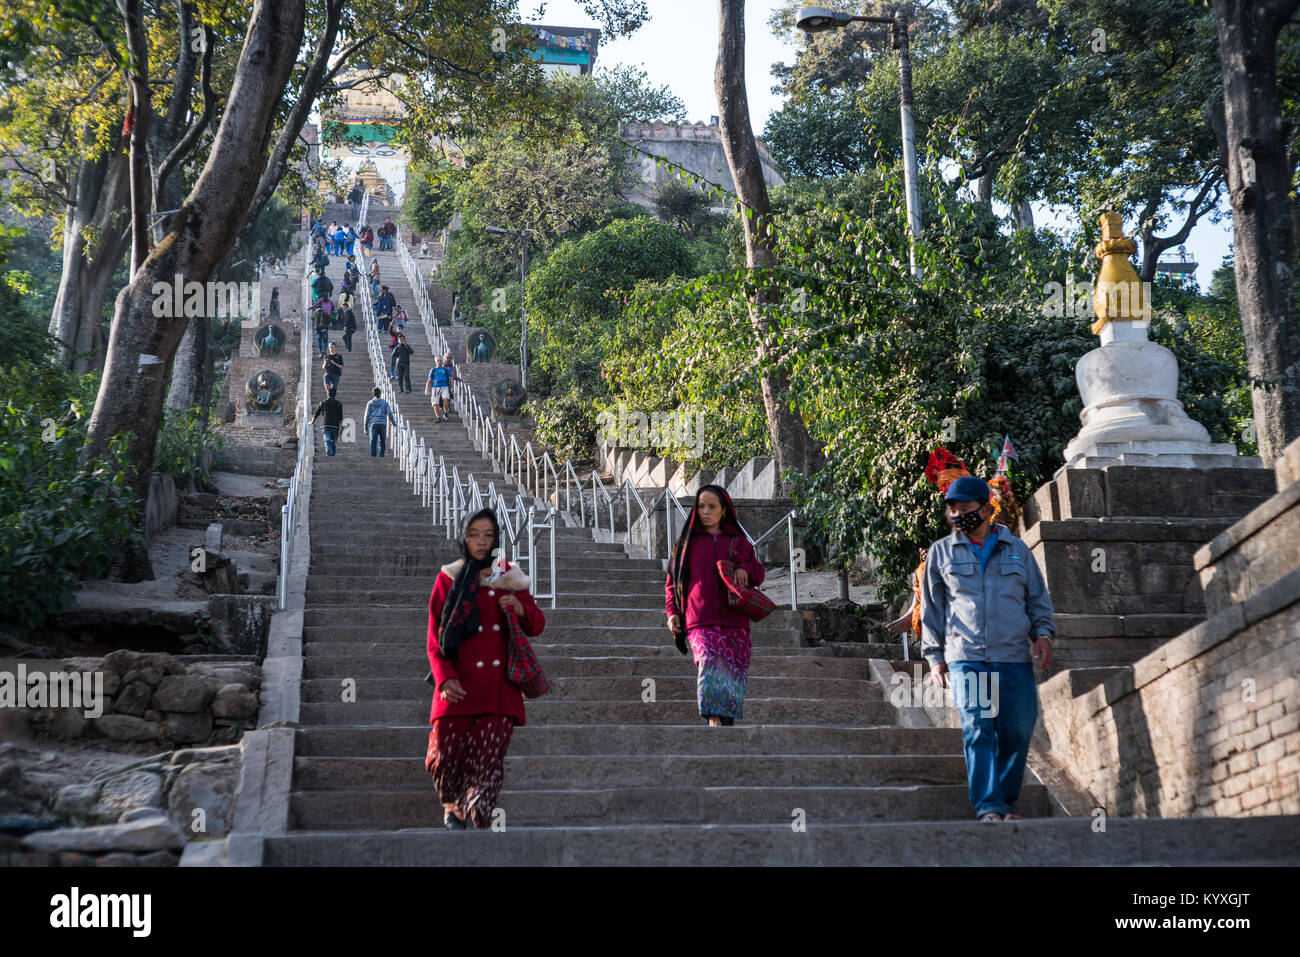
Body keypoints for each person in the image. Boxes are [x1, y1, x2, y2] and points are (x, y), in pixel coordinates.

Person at [920, 475, 1056, 823]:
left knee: (1018, 729)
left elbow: (1037, 599)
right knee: (978, 726)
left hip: (1013, 656)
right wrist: (934, 657)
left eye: (965, 508)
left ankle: (1007, 802)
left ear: (986, 508)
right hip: (966, 657)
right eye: (953, 509)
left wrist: (1043, 635)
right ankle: (989, 806)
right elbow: (932, 610)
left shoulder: (1017, 551)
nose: (958, 515)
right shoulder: (940, 553)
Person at [426, 507, 545, 830]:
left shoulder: (509, 576)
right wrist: (444, 677)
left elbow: (536, 624)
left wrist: (520, 607)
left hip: (498, 690)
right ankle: (453, 806)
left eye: (488, 535)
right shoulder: (449, 577)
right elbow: (434, 638)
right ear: (464, 538)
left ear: (496, 540)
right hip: (457, 687)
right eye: (474, 534)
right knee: (444, 756)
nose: (481, 541)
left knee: (488, 761)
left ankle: (477, 817)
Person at [665, 485, 765, 727]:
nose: (705, 511)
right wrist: (672, 613)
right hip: (699, 619)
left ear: (723, 511)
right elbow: (672, 582)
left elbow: (759, 572)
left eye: (712, 506)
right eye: (700, 506)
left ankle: (725, 722)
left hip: (735, 620)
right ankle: (712, 717)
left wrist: (745, 569)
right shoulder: (686, 545)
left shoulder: (739, 543)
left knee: (733, 670)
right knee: (709, 661)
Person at [363, 386, 397, 457]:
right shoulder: (385, 403)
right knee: (382, 442)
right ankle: (381, 457)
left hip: (373, 424)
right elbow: (390, 413)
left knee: (373, 442)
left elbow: (367, 415)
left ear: (373, 394)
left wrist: (365, 427)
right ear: (380, 394)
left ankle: (373, 458)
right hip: (382, 424)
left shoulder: (370, 403)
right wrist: (394, 423)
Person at [312, 385, 344, 456]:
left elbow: (317, 413)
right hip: (335, 426)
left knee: (327, 441)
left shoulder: (323, 403)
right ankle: (332, 456)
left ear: (327, 394)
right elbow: (340, 416)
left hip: (326, 425)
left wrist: (312, 421)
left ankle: (330, 456)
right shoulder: (338, 403)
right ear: (335, 395)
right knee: (334, 443)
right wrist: (342, 426)